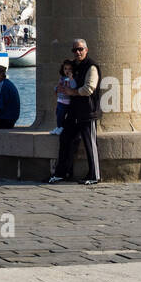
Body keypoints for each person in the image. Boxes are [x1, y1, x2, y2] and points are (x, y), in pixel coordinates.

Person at [49, 39, 101, 185]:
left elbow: (89, 89)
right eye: (75, 50)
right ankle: (61, 173)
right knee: (65, 139)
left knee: (90, 143)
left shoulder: (91, 67)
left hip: (87, 112)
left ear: (86, 50)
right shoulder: (73, 67)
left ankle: (94, 175)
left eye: (80, 49)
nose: (78, 52)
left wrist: (72, 92)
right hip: (73, 113)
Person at [51, 57, 77, 134]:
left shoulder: (72, 79)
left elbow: (74, 86)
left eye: (70, 69)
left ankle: (61, 128)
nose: (67, 71)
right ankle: (58, 127)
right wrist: (56, 89)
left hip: (66, 101)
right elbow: (58, 86)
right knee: (57, 114)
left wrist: (71, 78)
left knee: (61, 116)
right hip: (60, 100)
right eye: (65, 69)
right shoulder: (62, 78)